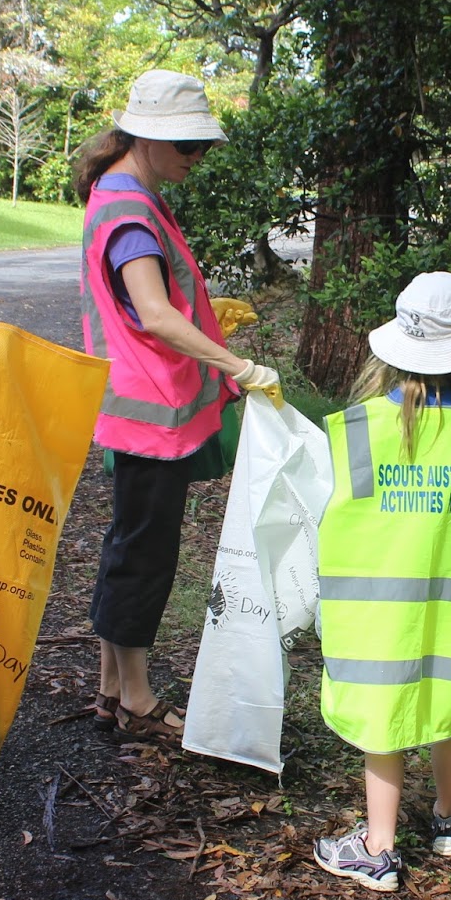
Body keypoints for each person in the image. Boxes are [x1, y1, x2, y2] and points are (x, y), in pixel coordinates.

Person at [75, 69, 280, 742]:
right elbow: (157, 314)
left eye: (203, 147)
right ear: (148, 137)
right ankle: (135, 692)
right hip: (149, 414)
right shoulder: (131, 209)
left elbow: (149, 305)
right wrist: (239, 366)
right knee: (145, 557)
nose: (197, 157)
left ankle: (111, 684)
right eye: (188, 145)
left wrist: (206, 318)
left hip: (137, 408)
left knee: (127, 548)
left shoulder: (126, 191)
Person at [313, 272, 451, 891]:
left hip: (380, 615)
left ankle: (377, 850)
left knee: (385, 719)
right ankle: (448, 819)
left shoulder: (355, 428)